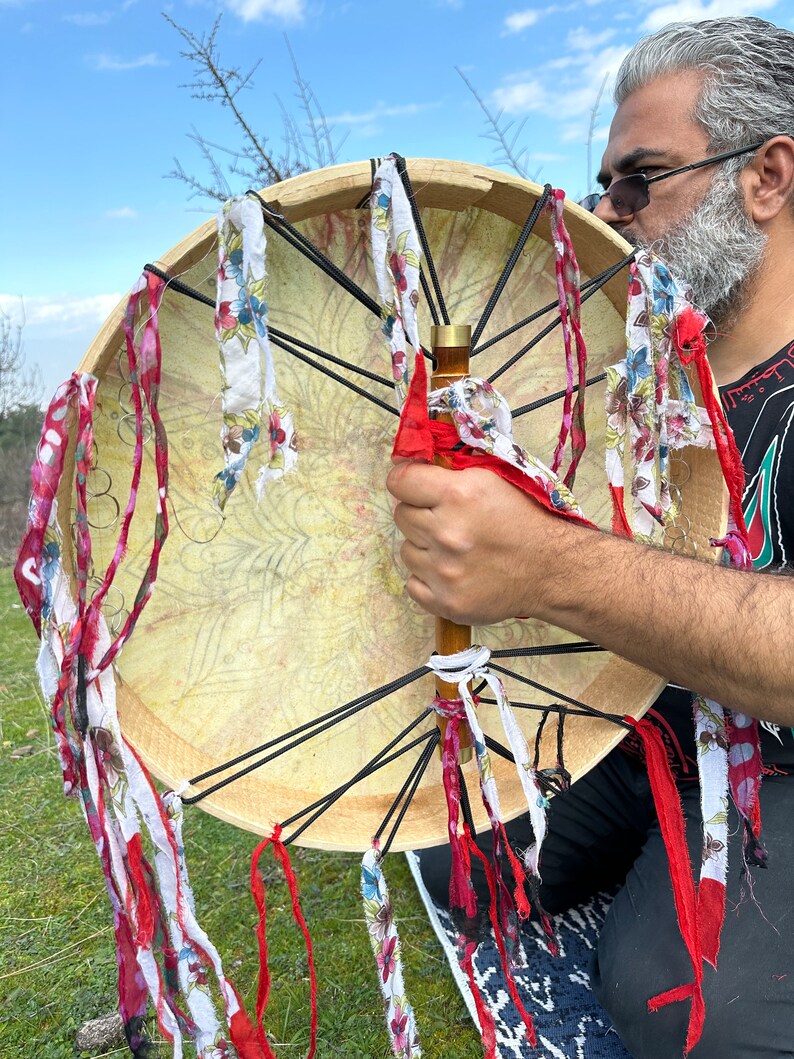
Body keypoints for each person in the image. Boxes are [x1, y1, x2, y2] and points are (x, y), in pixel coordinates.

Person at [387, 17, 794, 1059]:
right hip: (664, 712)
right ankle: (659, 856)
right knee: (457, 862)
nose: (606, 217)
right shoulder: (645, 384)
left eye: (637, 180)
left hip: (784, 754)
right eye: (599, 188)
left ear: (767, 176)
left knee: (687, 1012)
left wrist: (545, 566)